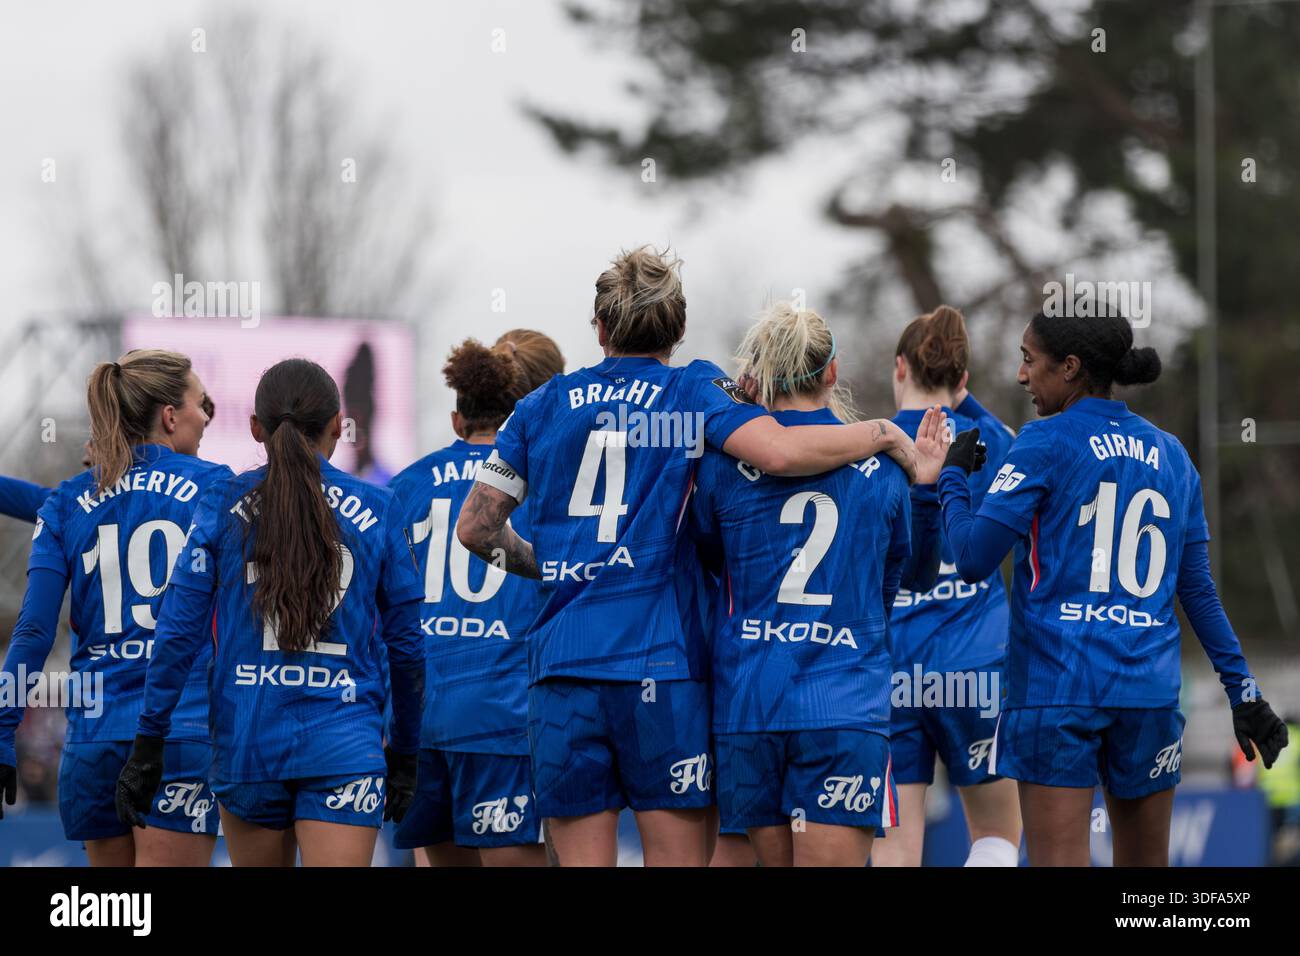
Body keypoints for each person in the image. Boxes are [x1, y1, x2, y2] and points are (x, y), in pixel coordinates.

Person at [457, 246, 920, 867]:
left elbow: (476, 528)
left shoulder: (537, 408)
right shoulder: (692, 387)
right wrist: (884, 433)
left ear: (598, 328)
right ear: (677, 330)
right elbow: (779, 455)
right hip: (661, 671)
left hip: (563, 668)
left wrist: (552, 565)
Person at [920, 310, 1290, 866]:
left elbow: (971, 559)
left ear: (1069, 368)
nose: (1021, 376)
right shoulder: (1173, 456)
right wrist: (1243, 691)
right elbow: (1198, 593)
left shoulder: (1044, 441)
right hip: (1147, 693)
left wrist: (949, 478)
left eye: (1028, 360)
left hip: (1057, 690)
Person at [115, 358, 425, 867]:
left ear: (255, 428)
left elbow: (177, 633)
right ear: (335, 426)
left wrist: (150, 740)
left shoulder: (221, 500)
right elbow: (409, 647)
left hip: (247, 743)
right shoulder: (381, 506)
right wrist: (406, 752)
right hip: (343, 746)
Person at [689, 303, 945, 867]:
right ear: (832, 374)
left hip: (749, 704)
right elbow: (919, 576)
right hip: (843, 705)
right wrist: (925, 487)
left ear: (760, 376)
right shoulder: (885, 471)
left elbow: (708, 562)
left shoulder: (721, 464)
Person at [0, 351, 227, 866]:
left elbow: (34, 632)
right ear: (170, 416)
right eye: (200, 403)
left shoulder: (67, 501)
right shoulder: (216, 485)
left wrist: (2, 730)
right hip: (178, 731)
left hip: (92, 740)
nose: (206, 415)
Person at [389, 330, 564, 867]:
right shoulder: (538, 483)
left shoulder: (405, 485)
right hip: (503, 719)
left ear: (456, 421)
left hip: (423, 719)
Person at [873, 306, 1023, 868]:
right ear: (963, 380)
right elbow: (998, 431)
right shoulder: (995, 442)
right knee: (996, 836)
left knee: (894, 849)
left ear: (898, 367)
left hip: (893, 669)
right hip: (976, 663)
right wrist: (960, 399)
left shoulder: (867, 447)